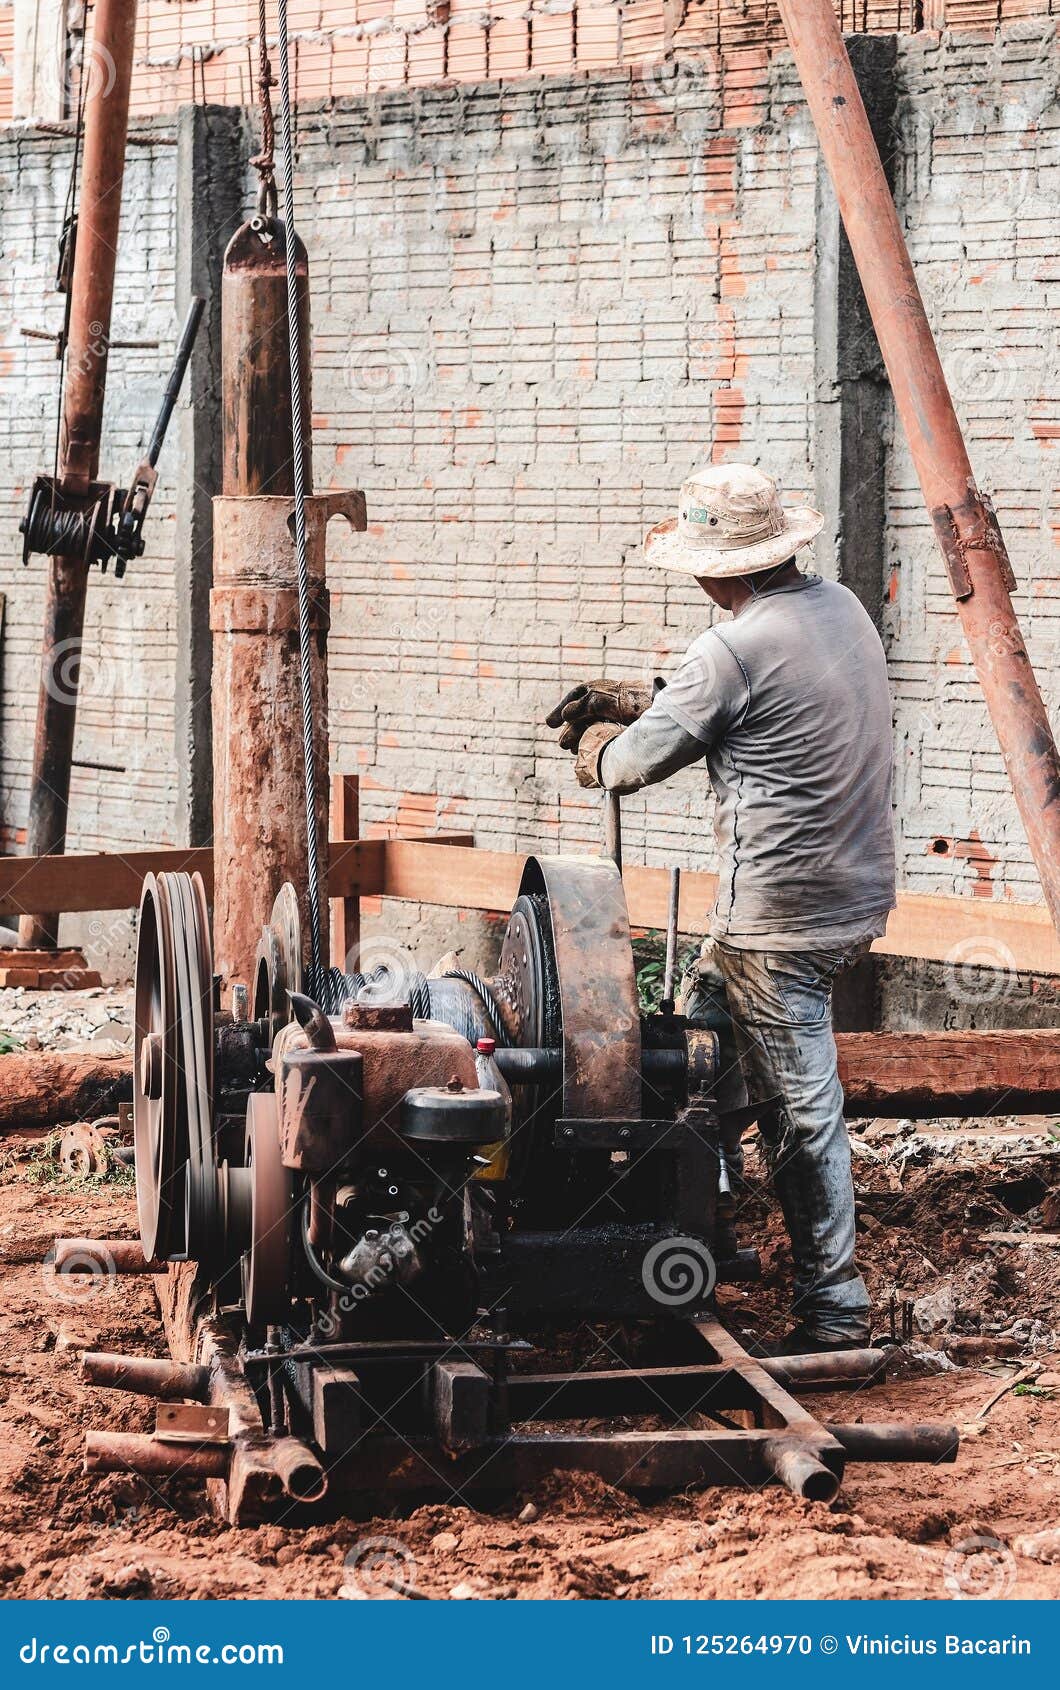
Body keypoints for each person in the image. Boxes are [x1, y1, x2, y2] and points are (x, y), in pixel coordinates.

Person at [546, 463, 896, 1352]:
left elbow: (630, 765)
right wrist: (639, 695)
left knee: (800, 1104)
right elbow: (746, 696)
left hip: (779, 916)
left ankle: (835, 1311)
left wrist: (599, 743)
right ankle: (702, 1227)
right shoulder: (839, 608)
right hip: (854, 894)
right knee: (697, 1050)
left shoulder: (728, 649)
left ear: (719, 570)